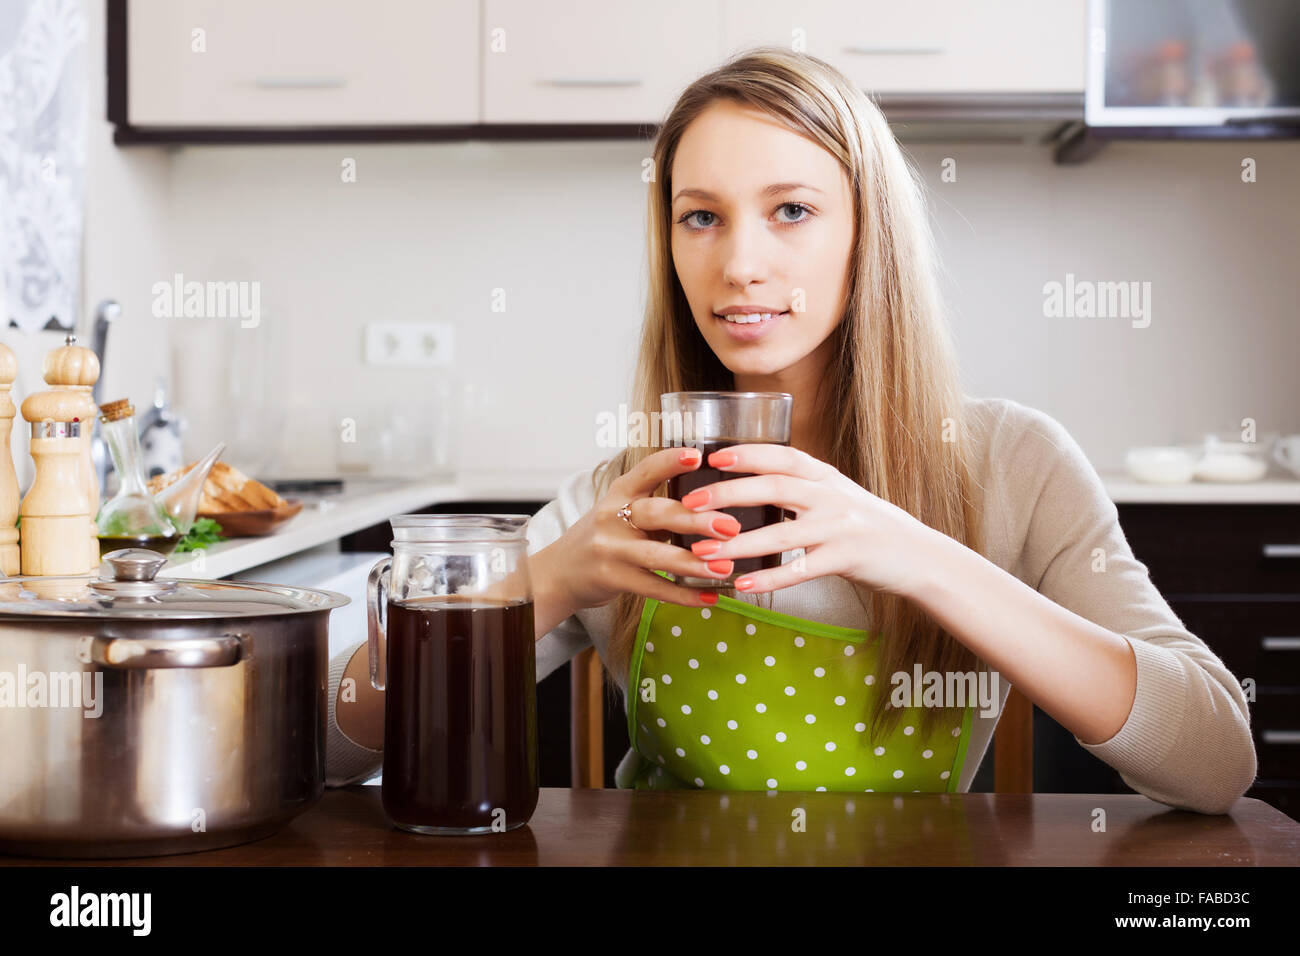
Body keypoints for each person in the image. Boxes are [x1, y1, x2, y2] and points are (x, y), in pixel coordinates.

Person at [325, 47, 1255, 814]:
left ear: (868, 236)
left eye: (792, 211)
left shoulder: (1014, 465)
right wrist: (553, 579)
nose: (739, 263)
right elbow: (333, 747)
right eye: (701, 218)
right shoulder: (631, 494)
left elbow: (1218, 761)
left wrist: (917, 554)